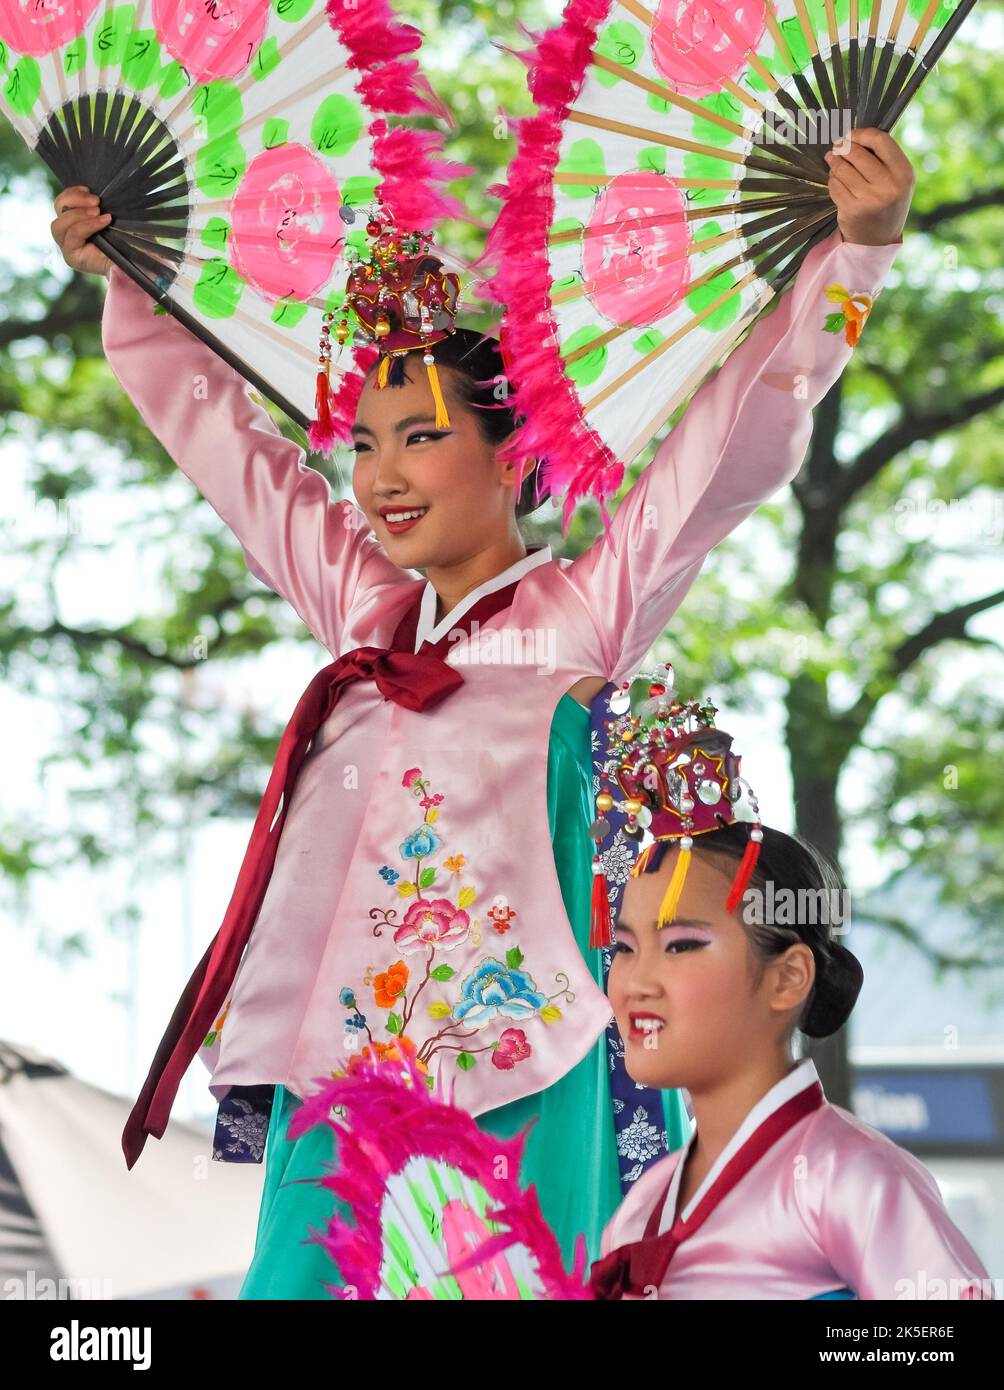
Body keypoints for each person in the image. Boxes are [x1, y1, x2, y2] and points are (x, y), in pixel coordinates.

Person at [49, 127, 912, 1297]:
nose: (380, 475)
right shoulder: (363, 610)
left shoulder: (578, 613)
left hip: (532, 1062)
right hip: (343, 1071)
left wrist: (851, 263)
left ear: (512, 457)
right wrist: (135, 289)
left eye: (420, 437)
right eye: (360, 445)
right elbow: (225, 448)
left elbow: (740, 436)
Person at [588, 681, 993, 1300]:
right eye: (623, 949)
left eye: (681, 945)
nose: (636, 982)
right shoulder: (645, 1201)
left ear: (787, 977)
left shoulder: (849, 1176)